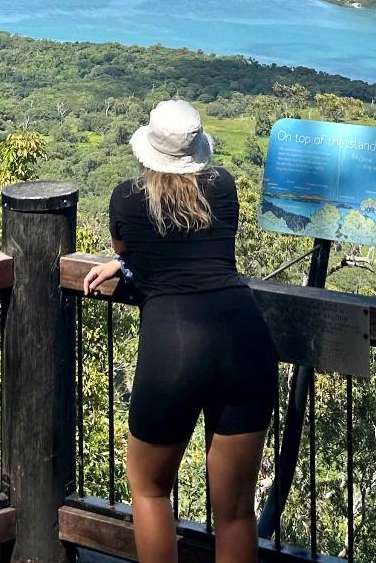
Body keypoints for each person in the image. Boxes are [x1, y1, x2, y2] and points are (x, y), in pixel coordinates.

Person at [83, 99, 278, 563]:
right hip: (245, 338)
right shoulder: (225, 187)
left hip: (175, 344)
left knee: (150, 489)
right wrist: (129, 261)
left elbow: (135, 249)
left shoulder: (125, 198)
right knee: (234, 512)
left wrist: (120, 263)